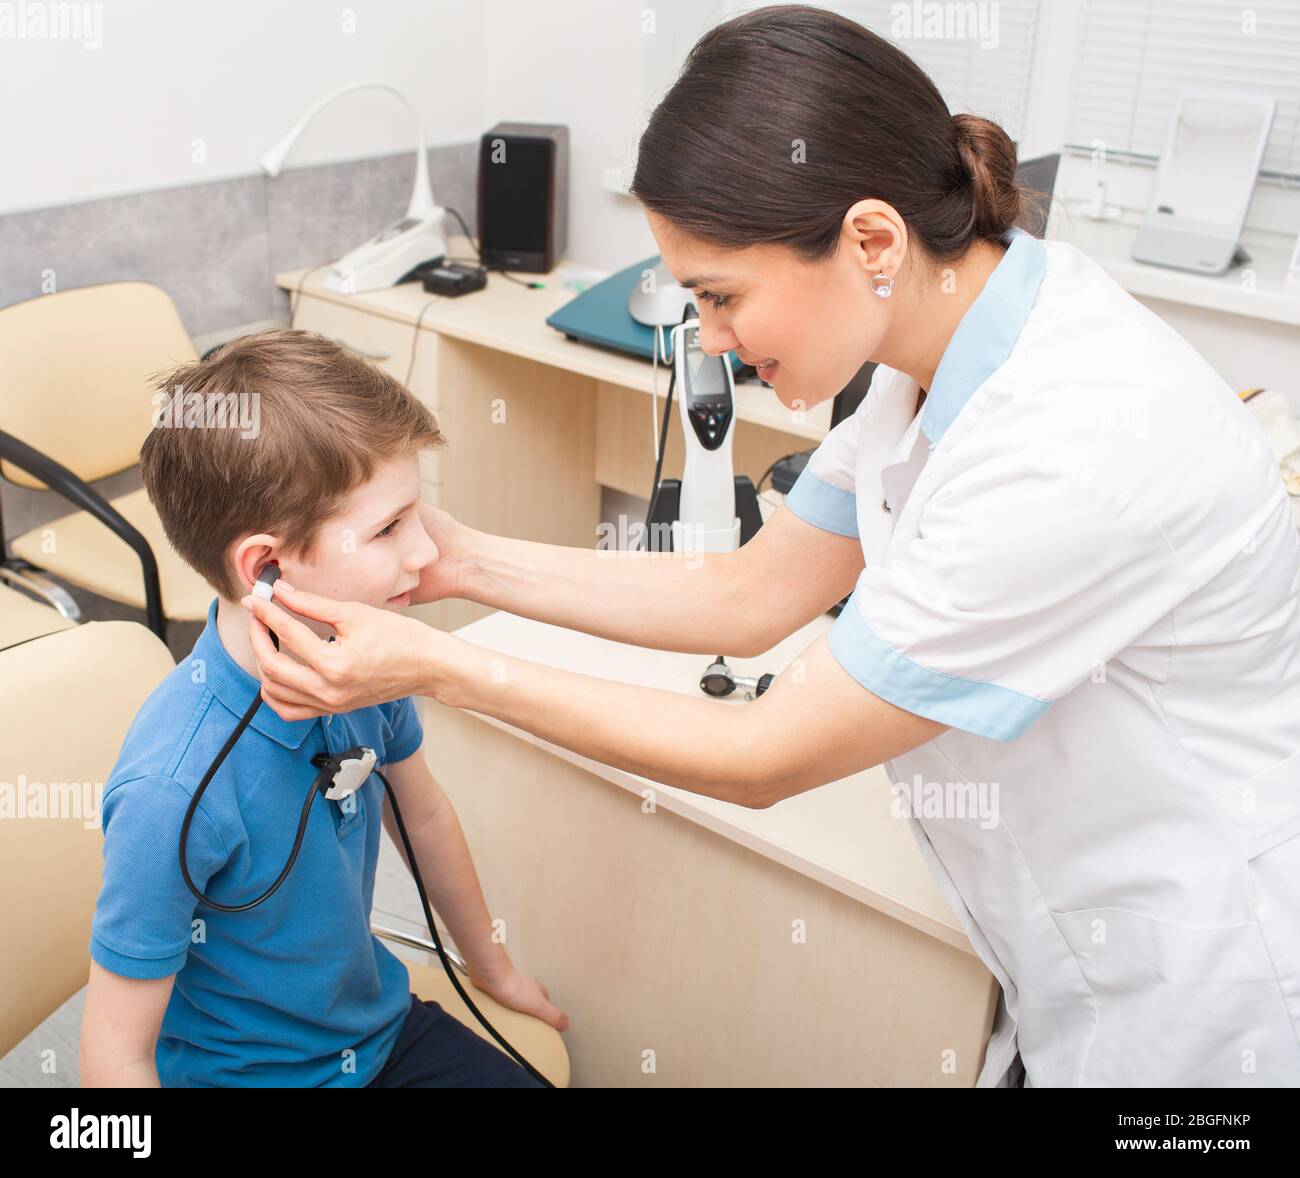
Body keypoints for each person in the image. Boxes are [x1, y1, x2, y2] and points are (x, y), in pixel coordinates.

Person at [242, 5, 1300, 1087]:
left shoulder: (1067, 442)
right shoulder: (932, 357)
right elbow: (748, 594)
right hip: (1070, 947)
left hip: (1212, 1000)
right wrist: (462, 560)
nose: (710, 338)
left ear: (872, 242)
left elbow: (765, 756)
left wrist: (438, 666)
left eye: (721, 295)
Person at [81, 330, 564, 1088]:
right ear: (267, 568)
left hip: (378, 1031)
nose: (425, 555)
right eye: (389, 528)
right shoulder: (171, 792)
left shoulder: (369, 667)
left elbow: (424, 819)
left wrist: (492, 968)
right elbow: (113, 1060)